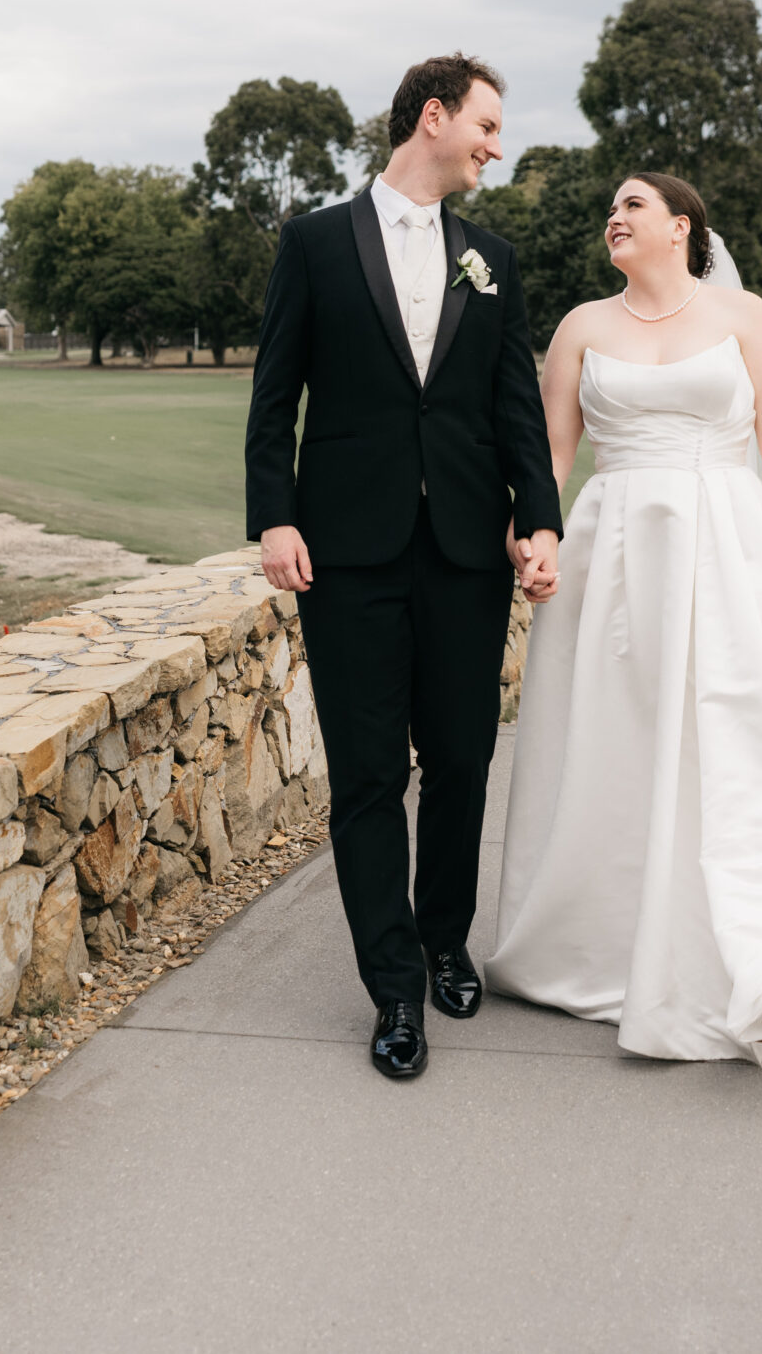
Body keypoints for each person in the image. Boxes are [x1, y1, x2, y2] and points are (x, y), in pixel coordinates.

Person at [487, 171, 762, 1063]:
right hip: (613, 563)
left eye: (634, 204)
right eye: (611, 207)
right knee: (618, 739)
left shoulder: (746, 319)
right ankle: (606, 940)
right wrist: (533, 538)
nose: (616, 215)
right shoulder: (580, 328)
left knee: (742, 741)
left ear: (682, 227)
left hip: (731, 550)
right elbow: (552, 453)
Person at [244, 53, 560, 1081]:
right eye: (486, 125)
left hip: (468, 547)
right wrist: (273, 518)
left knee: (462, 758)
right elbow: (274, 394)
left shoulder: (493, 260)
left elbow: (516, 406)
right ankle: (392, 988)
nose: (495, 146)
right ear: (433, 117)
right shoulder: (314, 243)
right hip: (347, 550)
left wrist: (540, 521)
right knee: (371, 774)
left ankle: (443, 936)